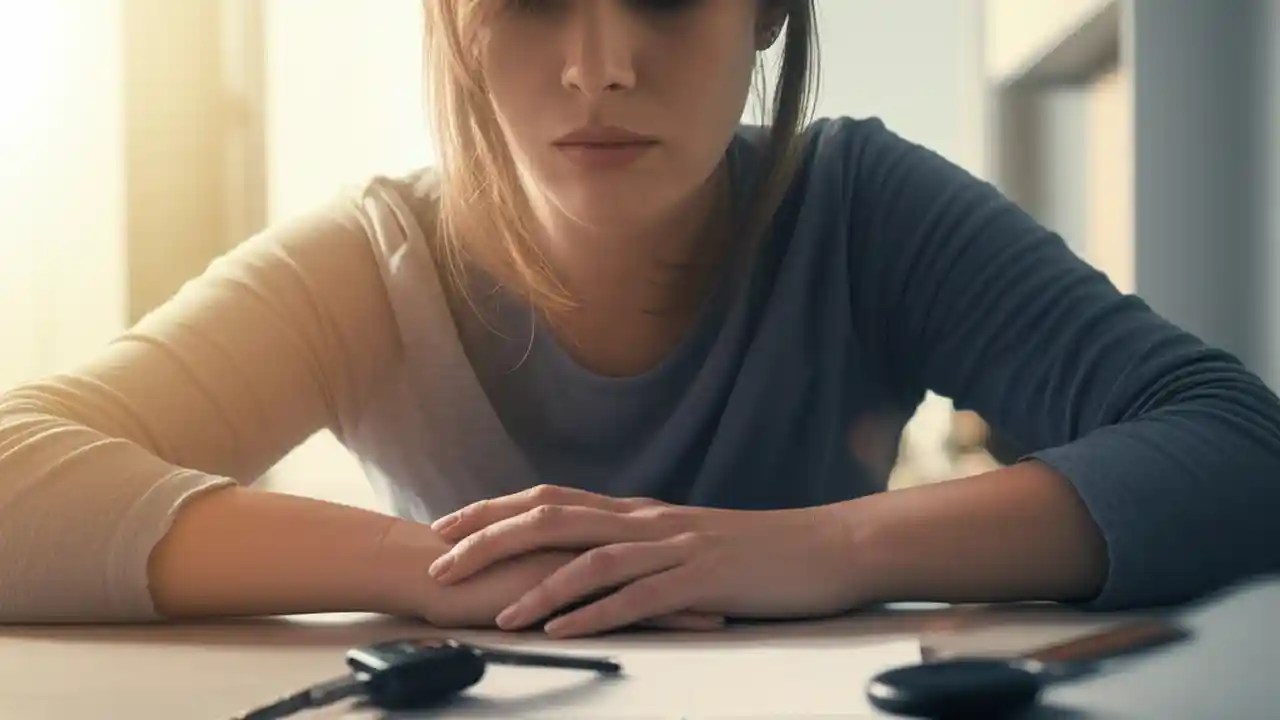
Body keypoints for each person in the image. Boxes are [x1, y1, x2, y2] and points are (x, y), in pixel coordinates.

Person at [2, 0, 1278, 638]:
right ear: (455, 21)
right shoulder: (367, 259)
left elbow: (1238, 450)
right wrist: (445, 576)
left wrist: (808, 552)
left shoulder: (859, 207)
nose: (600, 62)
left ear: (769, 9)